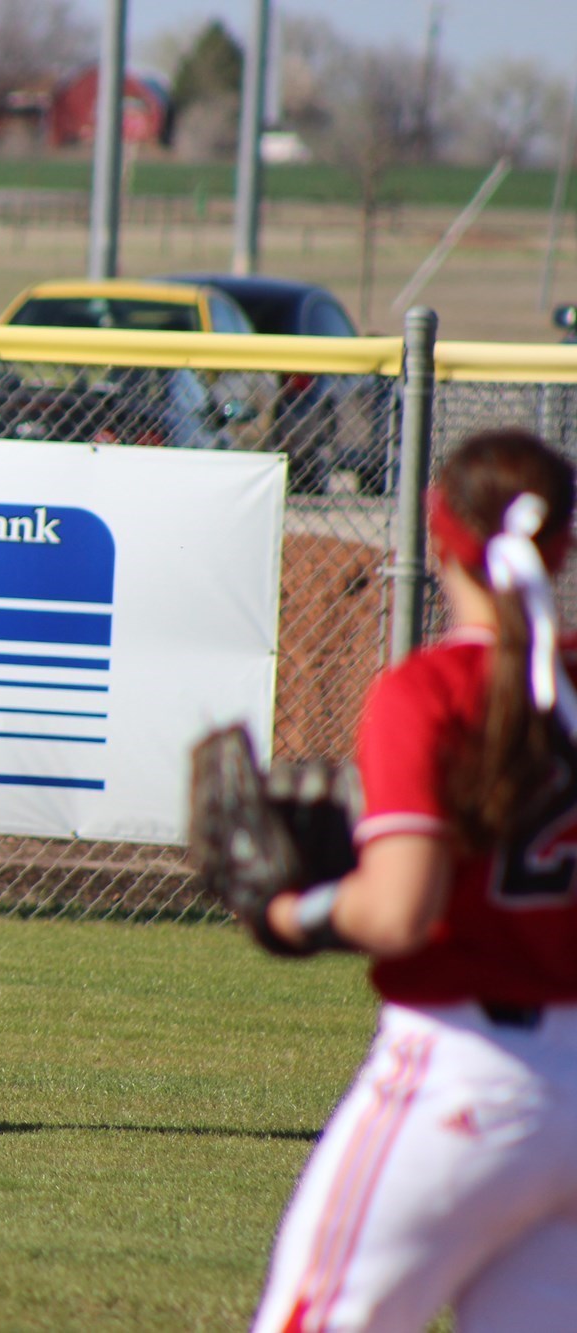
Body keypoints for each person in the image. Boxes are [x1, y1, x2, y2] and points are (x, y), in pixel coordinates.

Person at [248, 427, 577, 1332]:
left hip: (463, 1075)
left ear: (438, 540)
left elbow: (398, 908)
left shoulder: (430, 690)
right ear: (564, 548)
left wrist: (290, 911)